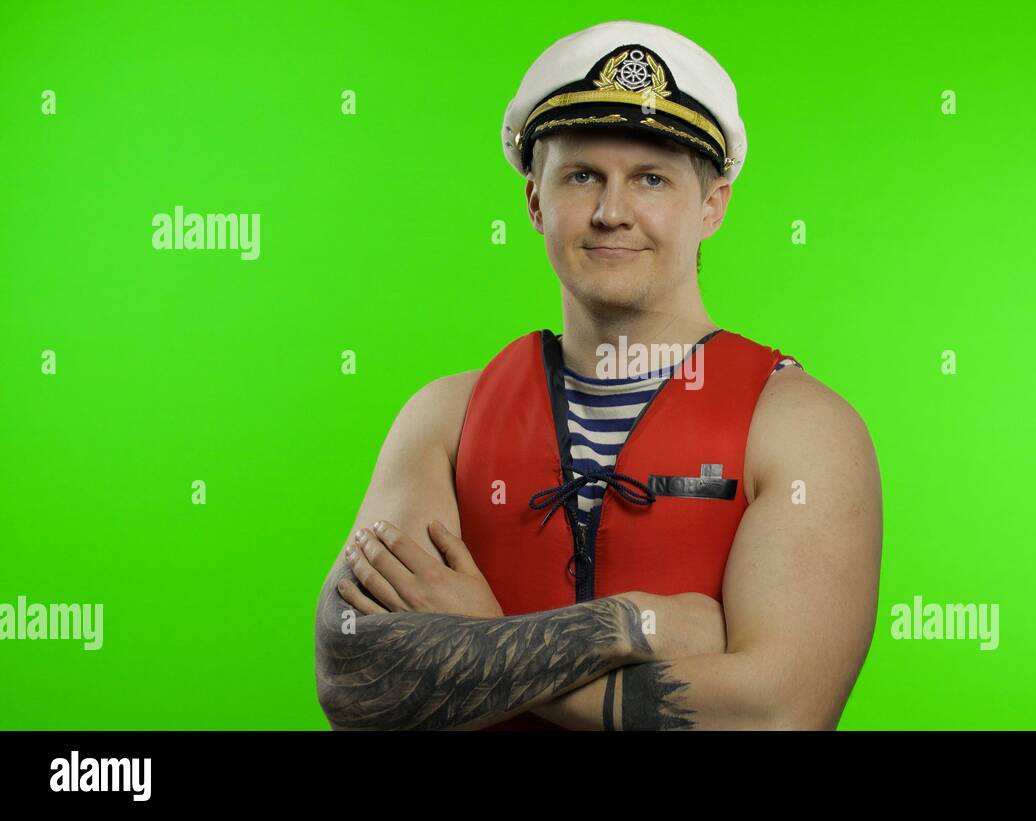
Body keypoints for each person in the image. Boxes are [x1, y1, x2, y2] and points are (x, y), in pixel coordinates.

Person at [314, 20, 882, 730]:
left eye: (651, 178)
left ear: (713, 205)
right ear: (534, 202)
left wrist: (482, 639)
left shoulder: (802, 428)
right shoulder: (443, 418)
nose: (613, 213)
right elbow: (357, 678)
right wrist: (632, 622)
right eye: (583, 176)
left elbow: (773, 715)